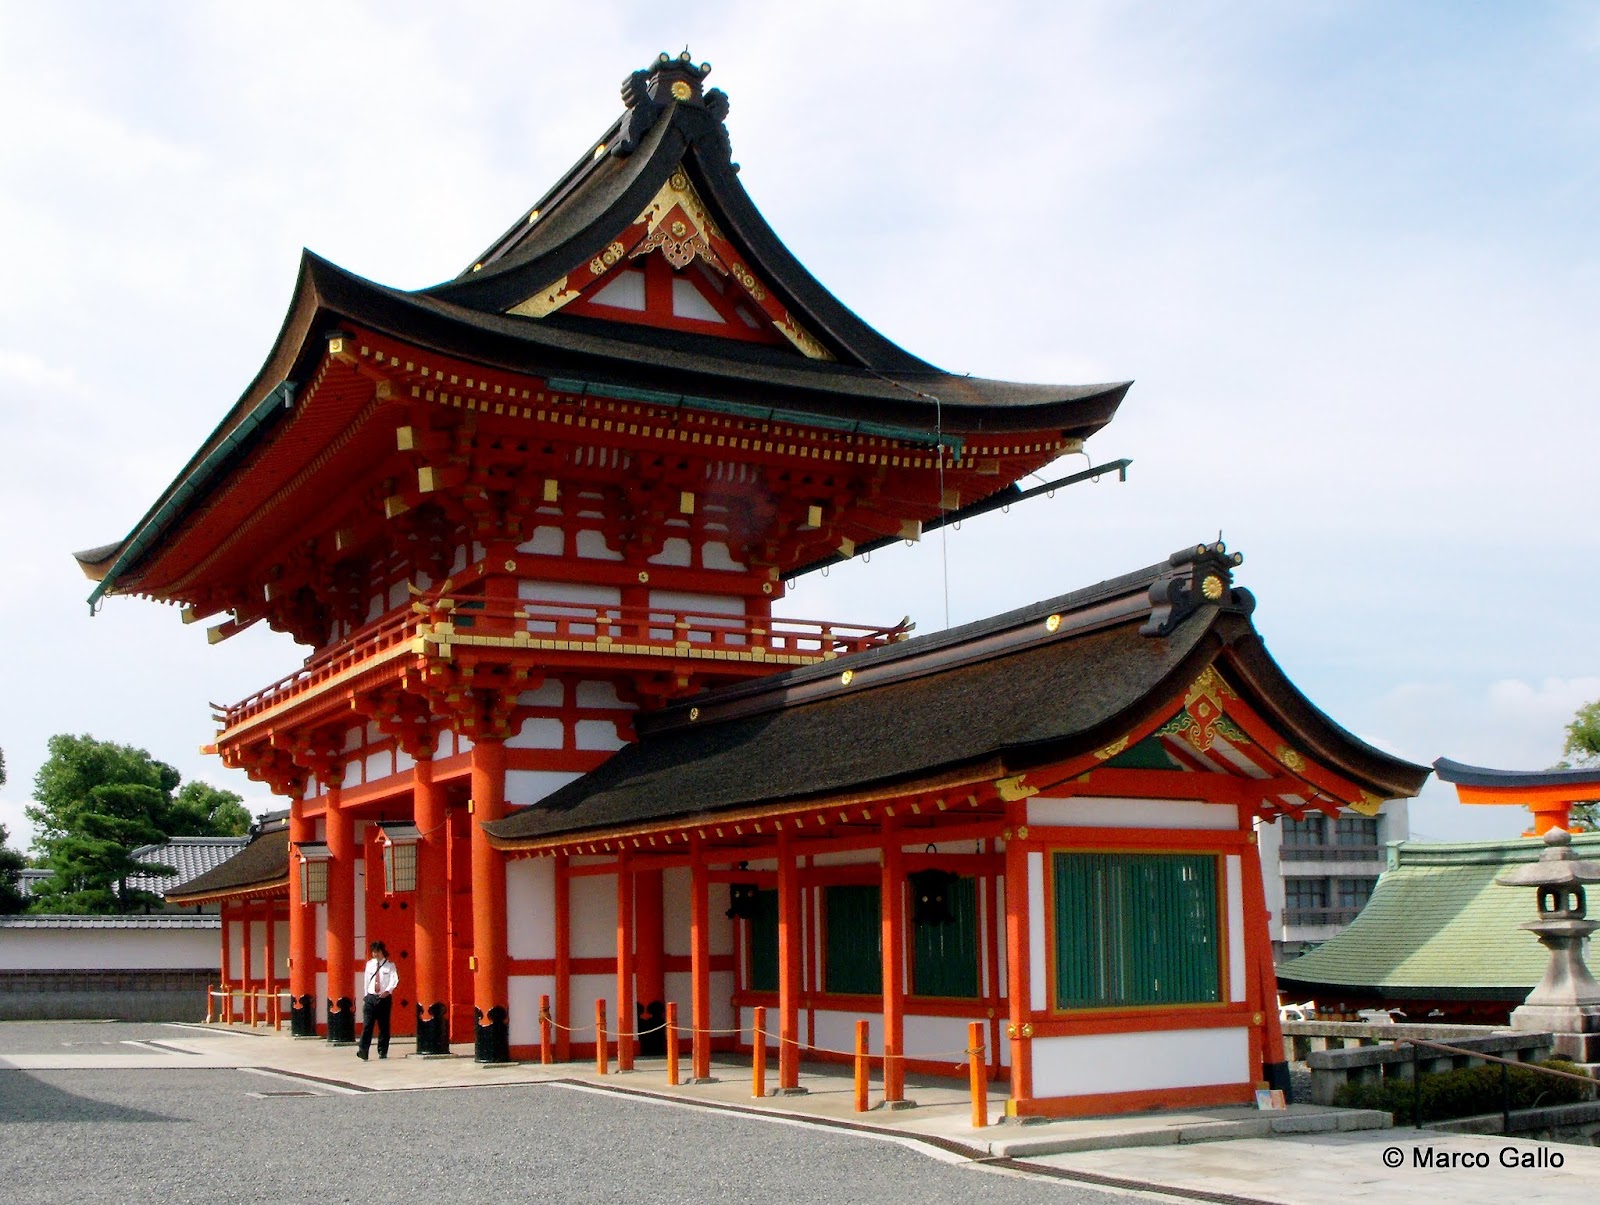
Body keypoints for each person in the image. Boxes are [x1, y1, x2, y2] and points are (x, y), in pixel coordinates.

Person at [357, 940, 398, 1060]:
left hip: (383, 998)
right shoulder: (369, 964)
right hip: (371, 997)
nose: (375, 954)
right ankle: (363, 1050)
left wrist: (388, 991)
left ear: (382, 951)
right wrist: (366, 995)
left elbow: (394, 980)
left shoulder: (390, 965)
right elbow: (366, 981)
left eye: (377, 951)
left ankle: (382, 1050)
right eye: (373, 952)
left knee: (383, 1026)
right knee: (367, 1025)